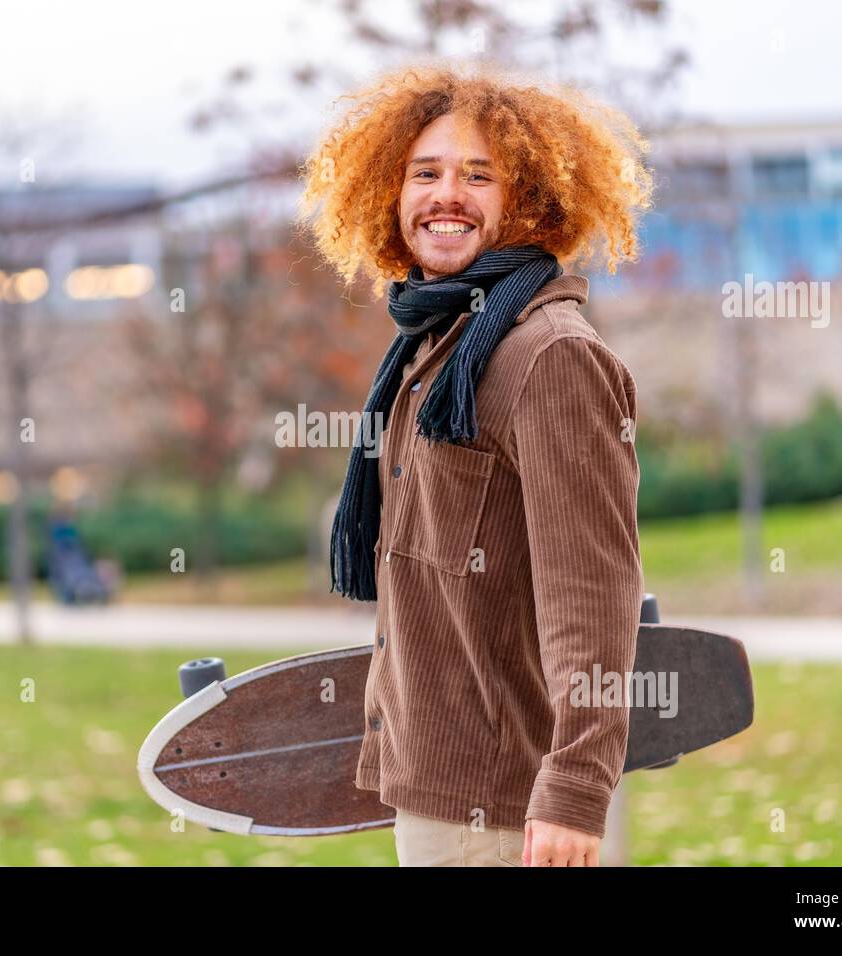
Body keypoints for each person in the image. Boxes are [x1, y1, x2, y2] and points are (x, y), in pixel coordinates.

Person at [298, 65, 652, 866]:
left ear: (530, 199)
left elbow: (592, 590)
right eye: (424, 173)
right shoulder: (434, 348)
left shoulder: (548, 355)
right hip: (435, 791)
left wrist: (576, 787)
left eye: (477, 176)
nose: (444, 194)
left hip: (507, 814)